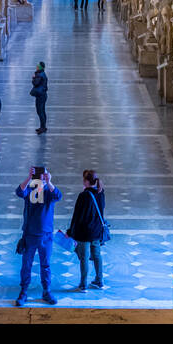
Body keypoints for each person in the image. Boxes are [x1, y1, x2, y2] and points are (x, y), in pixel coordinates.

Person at [14, 166, 61, 306]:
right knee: (26, 265)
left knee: (45, 264)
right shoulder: (30, 190)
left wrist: (49, 182)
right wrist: (29, 178)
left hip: (46, 236)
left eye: (44, 175)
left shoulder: (48, 191)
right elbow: (19, 191)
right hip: (30, 235)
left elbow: (58, 196)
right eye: (40, 175)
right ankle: (23, 291)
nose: (42, 178)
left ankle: (46, 291)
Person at [67, 170, 107, 292]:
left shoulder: (83, 195)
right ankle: (99, 281)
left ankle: (83, 284)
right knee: (97, 255)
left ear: (86, 181)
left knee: (84, 258)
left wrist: (70, 231)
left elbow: (77, 216)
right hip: (96, 231)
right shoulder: (100, 193)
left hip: (84, 233)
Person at [31, 61, 48, 134]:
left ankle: (43, 128)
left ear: (40, 67)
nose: (36, 67)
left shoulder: (40, 75)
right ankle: (43, 126)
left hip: (40, 96)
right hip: (43, 95)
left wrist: (33, 78)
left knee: (40, 111)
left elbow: (35, 83)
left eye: (38, 66)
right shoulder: (42, 74)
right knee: (42, 111)